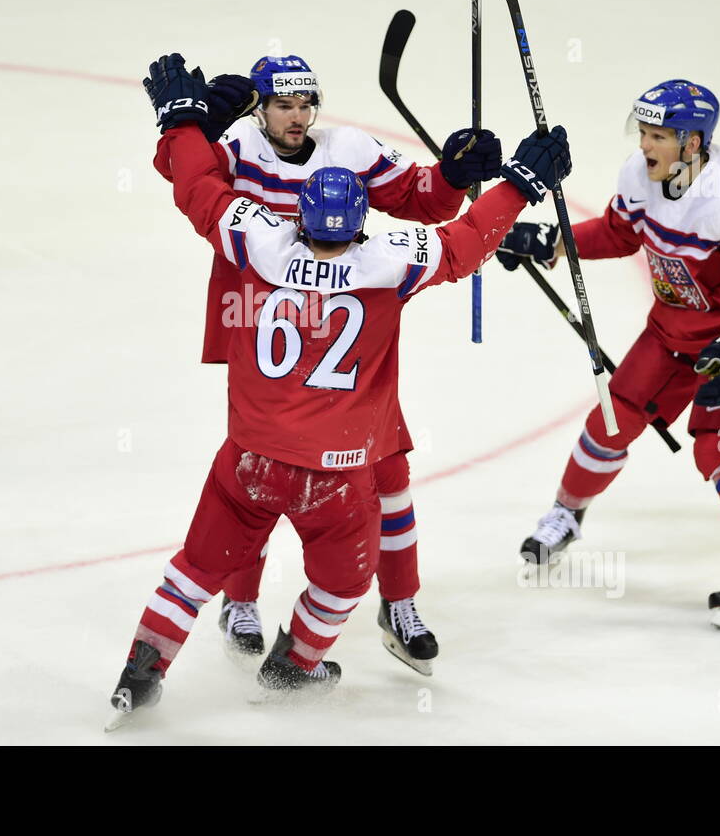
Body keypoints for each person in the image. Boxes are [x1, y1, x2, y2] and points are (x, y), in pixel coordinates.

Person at [110, 53, 570, 724]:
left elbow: (197, 191)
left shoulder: (261, 242)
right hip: (334, 472)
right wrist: (520, 185)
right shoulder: (387, 262)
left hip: (250, 453)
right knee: (347, 576)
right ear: (360, 222)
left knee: (194, 564)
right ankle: (294, 663)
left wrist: (180, 124)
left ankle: (140, 671)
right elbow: (465, 242)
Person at [496, 78, 720, 629]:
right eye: (642, 131)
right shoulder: (641, 175)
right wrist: (553, 242)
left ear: (693, 142)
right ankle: (566, 515)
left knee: (718, 447)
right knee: (611, 420)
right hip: (673, 330)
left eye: (657, 134)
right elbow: (619, 234)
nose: (644, 145)